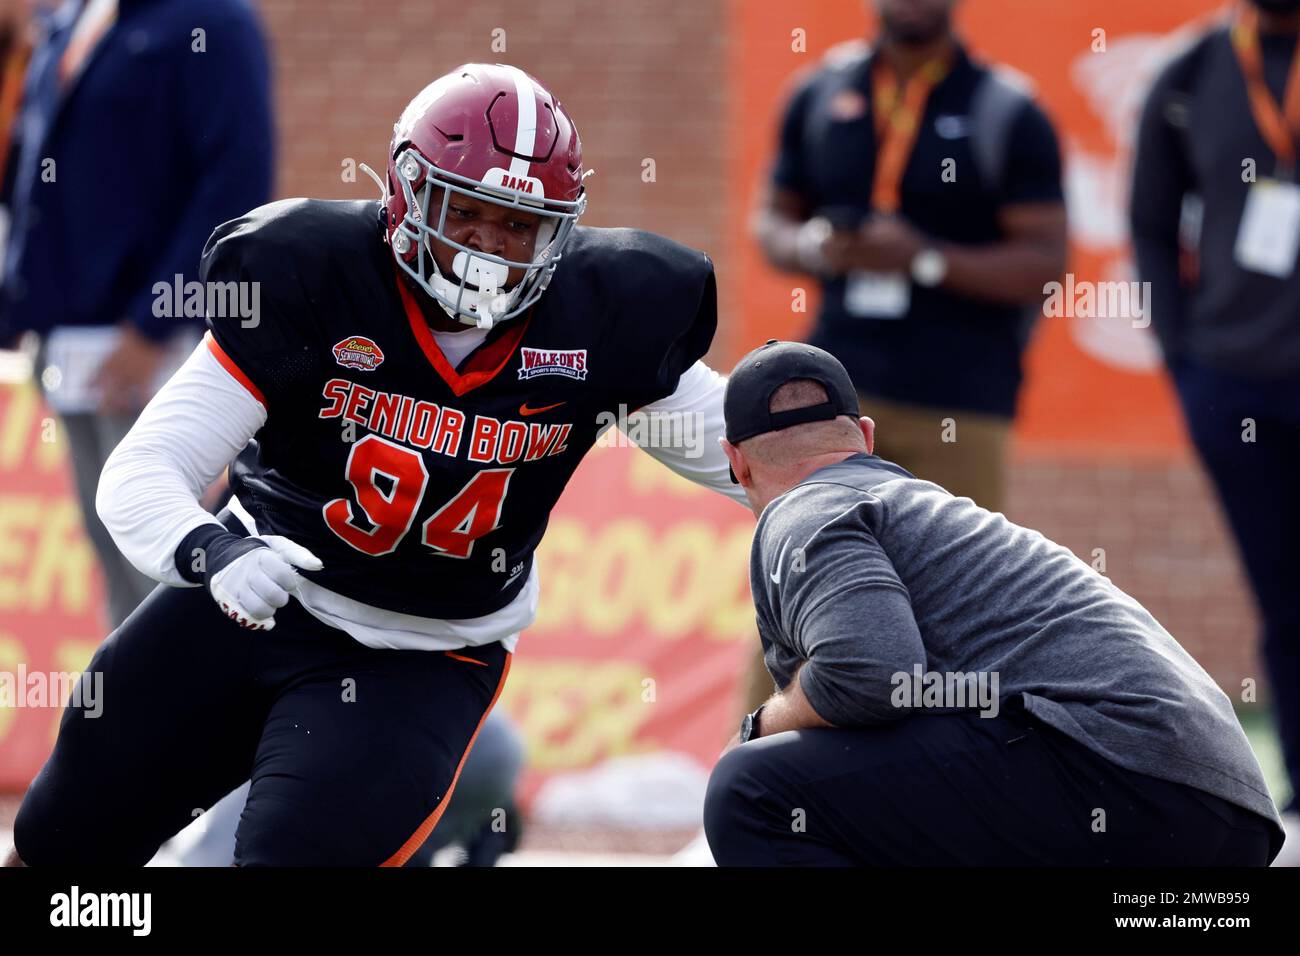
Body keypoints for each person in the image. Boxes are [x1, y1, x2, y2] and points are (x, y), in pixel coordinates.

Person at [7, 62, 745, 867]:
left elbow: (760, 459)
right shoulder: (317, 273)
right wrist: (212, 551)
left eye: (517, 225)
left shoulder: (602, 318)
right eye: (464, 213)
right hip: (256, 598)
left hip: (423, 656)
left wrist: (865, 502)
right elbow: (146, 468)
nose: (488, 248)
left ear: (559, 232)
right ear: (406, 192)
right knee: (62, 842)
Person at [704, 340, 1285, 866]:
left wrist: (758, 725)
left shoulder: (807, 506)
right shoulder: (923, 507)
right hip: (1223, 810)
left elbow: (869, 673)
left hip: (1122, 776)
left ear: (737, 460)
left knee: (749, 788)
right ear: (866, 436)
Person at [0, 0, 274, 628]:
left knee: (183, 592)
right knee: (126, 591)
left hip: (152, 348)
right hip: (68, 344)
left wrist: (154, 323)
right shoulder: (77, 20)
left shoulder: (214, 21)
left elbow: (236, 179)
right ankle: (145, 724)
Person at [753, 0, 1066, 514]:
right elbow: (771, 223)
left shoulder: (1005, 108)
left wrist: (924, 260)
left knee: (960, 582)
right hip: (835, 393)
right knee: (818, 569)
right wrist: (818, 246)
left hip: (957, 398)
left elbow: (1044, 264)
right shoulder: (821, 91)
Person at [1130, 0, 1300, 861]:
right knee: (1283, 588)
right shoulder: (1191, 73)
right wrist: (1184, 358)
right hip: (1236, 383)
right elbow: (1151, 227)